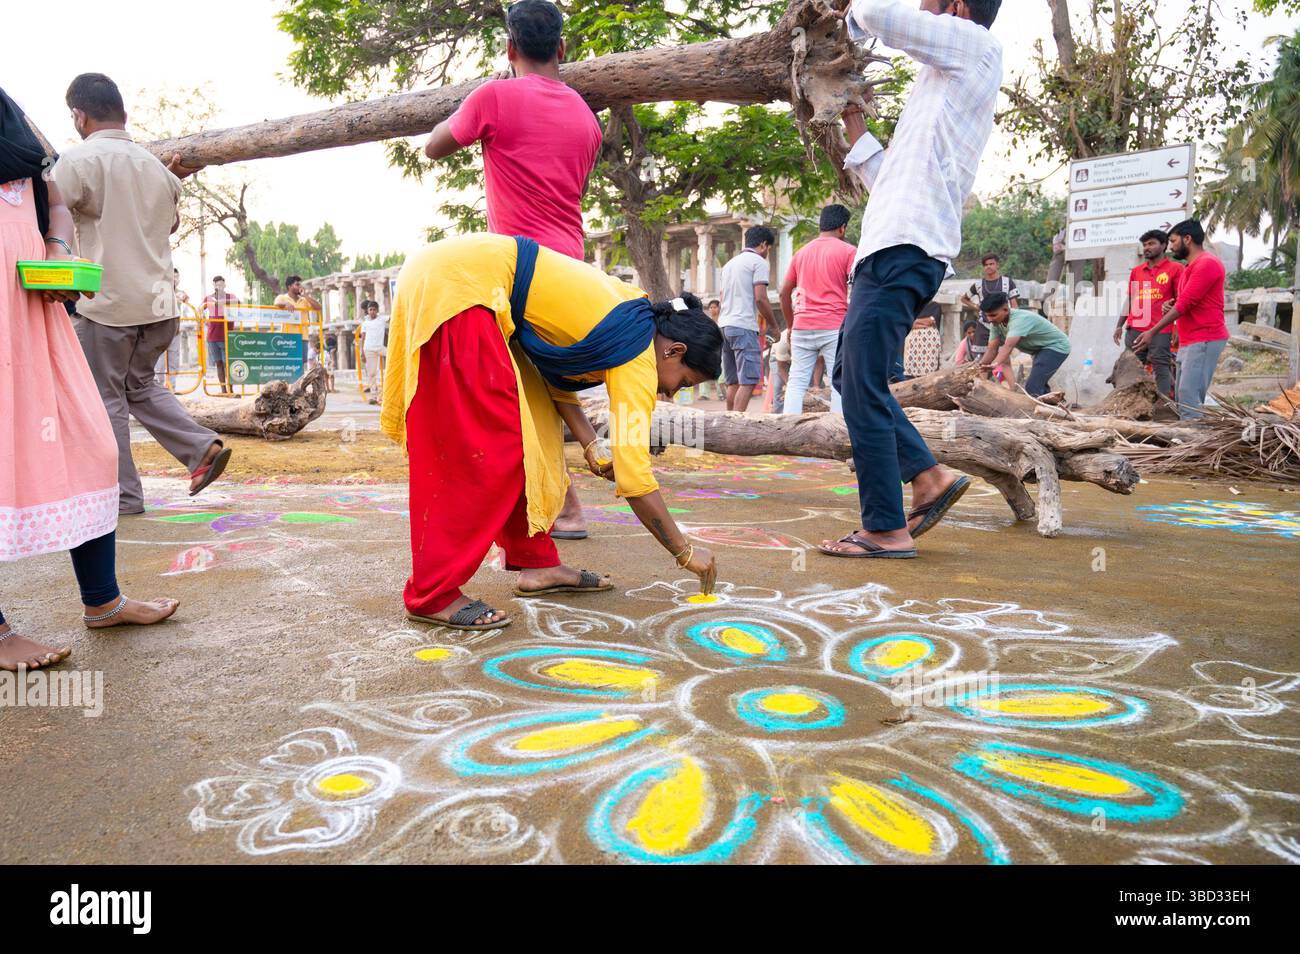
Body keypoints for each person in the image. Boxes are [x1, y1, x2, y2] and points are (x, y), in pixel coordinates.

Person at [380, 234, 720, 629]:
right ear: (674, 351)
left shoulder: (633, 317)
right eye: (684, 382)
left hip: (458, 281)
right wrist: (684, 551)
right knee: (487, 450)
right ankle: (432, 594)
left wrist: (590, 442)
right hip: (462, 291)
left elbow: (553, 377)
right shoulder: (638, 354)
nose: (672, 392)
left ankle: (536, 564)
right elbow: (634, 472)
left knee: (529, 439)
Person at [0, 86, 178, 671]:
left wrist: (55, 244)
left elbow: (46, 182)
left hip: (32, 298)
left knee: (90, 441)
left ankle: (103, 600)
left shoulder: (8, 109)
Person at [819, 0, 1001, 560]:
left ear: (957, 7)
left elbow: (875, 12)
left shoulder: (976, 46)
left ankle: (885, 527)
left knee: (863, 385)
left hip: (904, 250)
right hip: (893, 246)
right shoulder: (938, 82)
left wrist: (844, 16)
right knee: (852, 373)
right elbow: (893, 182)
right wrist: (858, 130)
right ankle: (928, 479)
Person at [423, 0, 602, 542]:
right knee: (545, 384)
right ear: (563, 49)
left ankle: (565, 507)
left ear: (509, 48)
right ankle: (580, 472)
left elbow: (434, 147)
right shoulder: (586, 118)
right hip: (570, 263)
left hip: (517, 269)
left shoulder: (494, 97)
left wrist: (470, 105)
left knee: (520, 391)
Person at [53, 73, 229, 516]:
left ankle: (122, 496)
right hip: (159, 304)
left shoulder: (76, 163)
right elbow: (167, 226)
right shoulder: (159, 170)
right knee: (141, 385)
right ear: (124, 114)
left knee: (107, 396)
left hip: (108, 303)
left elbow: (53, 214)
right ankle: (202, 448)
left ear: (79, 115)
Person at [1134, 219, 1228, 420]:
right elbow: (1184, 300)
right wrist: (1172, 304)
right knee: (1181, 395)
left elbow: (1185, 303)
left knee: (1188, 397)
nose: (1171, 246)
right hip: (1190, 339)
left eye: (1174, 241)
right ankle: (1190, 439)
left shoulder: (1207, 264)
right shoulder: (1190, 267)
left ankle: (1194, 445)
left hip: (1204, 337)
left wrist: (1153, 331)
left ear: (1188, 239)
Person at [781, 204, 855, 414]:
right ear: (842, 228)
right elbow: (858, 289)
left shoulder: (801, 253)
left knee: (796, 383)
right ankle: (838, 430)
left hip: (802, 325)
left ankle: (788, 430)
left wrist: (790, 326)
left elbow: (784, 292)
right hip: (833, 326)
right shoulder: (849, 251)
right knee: (838, 381)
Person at [718, 225, 781, 412]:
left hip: (725, 325)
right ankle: (737, 426)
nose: (768, 253)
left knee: (733, 382)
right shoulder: (758, 262)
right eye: (769, 249)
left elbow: (722, 297)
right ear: (763, 245)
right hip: (743, 326)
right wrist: (775, 327)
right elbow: (760, 298)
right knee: (748, 381)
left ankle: (728, 425)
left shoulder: (730, 264)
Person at [1112, 229, 1180, 399]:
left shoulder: (1176, 269)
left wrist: (1177, 326)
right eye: (1144, 245)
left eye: (1151, 244)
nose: (1147, 248)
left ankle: (1164, 406)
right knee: (1131, 366)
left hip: (1160, 330)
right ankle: (1130, 403)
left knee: (1161, 367)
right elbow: (1130, 298)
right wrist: (1119, 325)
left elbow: (1181, 300)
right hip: (1135, 328)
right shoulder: (1137, 271)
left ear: (1164, 245)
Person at [979, 292, 1071, 396]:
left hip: (1055, 347)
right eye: (987, 316)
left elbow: (1008, 347)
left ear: (1005, 309)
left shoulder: (1019, 320)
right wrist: (978, 366)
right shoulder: (996, 324)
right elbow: (991, 349)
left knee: (1032, 387)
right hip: (1039, 350)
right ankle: (1052, 407)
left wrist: (994, 364)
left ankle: (1035, 410)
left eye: (993, 315)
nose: (990, 319)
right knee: (1040, 386)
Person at [960, 252, 1019, 364]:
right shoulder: (978, 285)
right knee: (982, 359)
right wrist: (976, 306)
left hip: (1003, 326)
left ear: (997, 265)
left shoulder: (1007, 282)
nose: (988, 266)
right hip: (984, 325)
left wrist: (1015, 322)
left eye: (991, 264)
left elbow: (1014, 304)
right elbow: (964, 299)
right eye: (986, 265)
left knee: (1004, 360)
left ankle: (1005, 382)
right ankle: (981, 381)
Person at [202, 275, 238, 394]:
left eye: (221, 284)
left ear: (225, 285)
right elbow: (199, 309)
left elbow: (238, 302)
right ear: (213, 285)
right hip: (212, 336)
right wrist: (204, 320)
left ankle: (231, 389)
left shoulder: (230, 296)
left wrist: (222, 302)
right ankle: (223, 390)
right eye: (217, 285)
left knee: (227, 363)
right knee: (218, 363)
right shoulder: (209, 298)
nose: (219, 287)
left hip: (226, 335)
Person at [274, 274, 323, 362]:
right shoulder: (282, 297)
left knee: (302, 362)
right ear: (289, 286)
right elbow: (276, 304)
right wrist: (285, 304)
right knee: (289, 361)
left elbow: (319, 307)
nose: (299, 286)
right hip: (288, 337)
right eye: (297, 284)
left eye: (300, 284)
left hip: (303, 336)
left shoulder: (304, 300)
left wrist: (306, 296)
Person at [154, 267, 186, 388]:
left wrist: (180, 296)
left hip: (175, 332)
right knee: (160, 362)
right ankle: (159, 387)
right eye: (172, 276)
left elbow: (185, 299)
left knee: (174, 361)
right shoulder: (159, 292)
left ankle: (172, 387)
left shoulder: (181, 293)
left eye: (177, 277)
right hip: (161, 331)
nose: (174, 279)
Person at [359, 300, 387, 404]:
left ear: (377, 310)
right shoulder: (365, 323)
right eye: (370, 310)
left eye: (374, 310)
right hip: (369, 349)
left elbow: (394, 319)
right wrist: (362, 352)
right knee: (372, 373)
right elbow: (362, 338)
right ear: (367, 310)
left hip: (380, 347)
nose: (372, 312)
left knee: (395, 357)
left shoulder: (382, 319)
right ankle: (374, 396)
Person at [903, 310, 942, 379]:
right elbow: (909, 323)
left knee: (929, 376)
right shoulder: (914, 307)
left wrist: (916, 321)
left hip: (929, 349)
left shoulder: (935, 306)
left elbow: (930, 321)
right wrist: (925, 324)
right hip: (913, 348)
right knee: (910, 374)